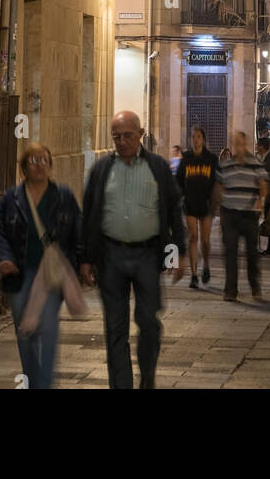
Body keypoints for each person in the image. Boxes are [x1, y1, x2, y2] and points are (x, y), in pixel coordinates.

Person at [80, 110, 186, 390]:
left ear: (140, 134)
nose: (122, 141)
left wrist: (178, 254)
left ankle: (147, 377)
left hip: (147, 255)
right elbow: (89, 213)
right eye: (116, 137)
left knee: (149, 322)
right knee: (115, 328)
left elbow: (173, 210)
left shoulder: (158, 168)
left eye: (128, 135)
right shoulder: (102, 170)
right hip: (111, 255)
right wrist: (86, 258)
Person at [0, 143, 82, 389]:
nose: (39, 165)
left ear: (51, 167)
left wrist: (83, 264)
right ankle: (32, 378)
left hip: (51, 275)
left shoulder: (63, 196)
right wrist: (4, 258)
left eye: (44, 160)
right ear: (23, 169)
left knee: (48, 326)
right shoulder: (12, 199)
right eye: (33, 161)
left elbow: (77, 232)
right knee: (25, 329)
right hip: (20, 273)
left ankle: (44, 384)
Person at [217, 130, 269, 301]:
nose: (238, 146)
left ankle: (255, 287)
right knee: (230, 253)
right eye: (235, 143)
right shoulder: (227, 165)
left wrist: (260, 200)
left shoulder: (256, 163)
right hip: (229, 214)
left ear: (245, 144)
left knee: (252, 253)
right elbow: (220, 185)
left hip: (248, 215)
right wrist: (219, 203)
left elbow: (263, 184)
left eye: (241, 143)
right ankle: (230, 290)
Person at [176, 126, 220, 289]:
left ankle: (206, 265)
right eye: (193, 136)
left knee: (205, 241)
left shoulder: (211, 159)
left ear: (203, 140)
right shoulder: (186, 158)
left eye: (199, 136)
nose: (195, 139)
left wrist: (215, 201)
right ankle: (194, 275)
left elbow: (217, 181)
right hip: (190, 203)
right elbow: (179, 181)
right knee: (193, 237)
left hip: (206, 204)